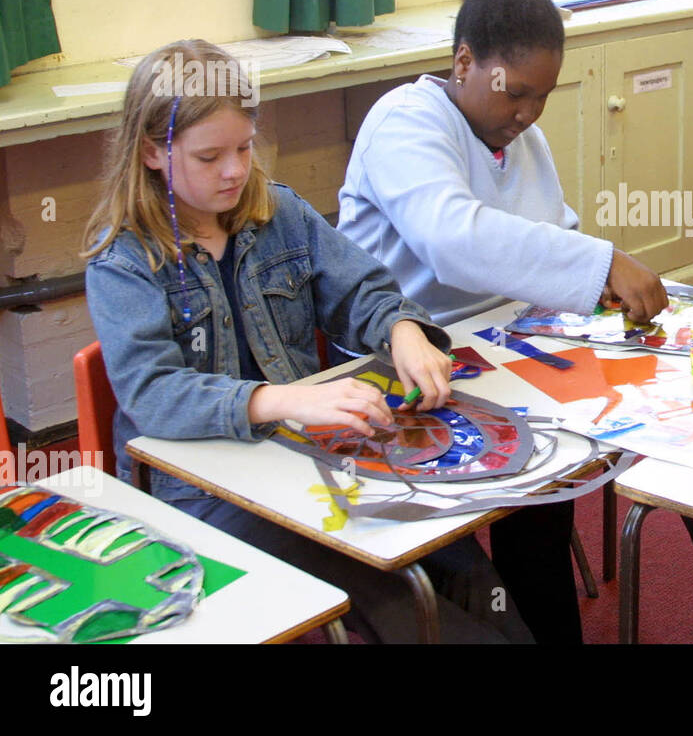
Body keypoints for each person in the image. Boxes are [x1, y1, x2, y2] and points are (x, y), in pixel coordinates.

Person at [339, 0, 693, 644]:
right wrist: (601, 262)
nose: (527, 113)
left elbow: (552, 237)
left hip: (508, 344)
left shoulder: (515, 133)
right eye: (515, 92)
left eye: (542, 96)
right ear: (464, 63)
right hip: (414, 359)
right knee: (542, 495)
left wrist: (602, 297)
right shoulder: (405, 122)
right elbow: (453, 239)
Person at [83, 39, 531, 644]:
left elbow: (361, 291)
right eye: (210, 156)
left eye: (243, 147)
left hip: (308, 457)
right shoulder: (124, 260)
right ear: (153, 153)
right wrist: (285, 401)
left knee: (460, 561)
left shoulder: (278, 213)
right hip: (204, 493)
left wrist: (401, 329)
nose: (236, 170)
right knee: (385, 584)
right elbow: (154, 393)